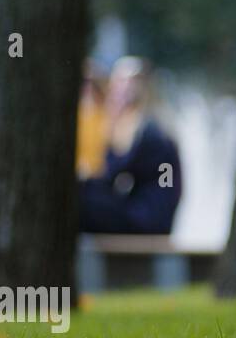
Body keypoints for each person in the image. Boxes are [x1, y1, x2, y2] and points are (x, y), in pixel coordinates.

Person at [78, 56, 184, 235]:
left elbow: (113, 174)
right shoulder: (147, 128)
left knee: (83, 197)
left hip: (147, 220)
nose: (117, 95)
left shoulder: (151, 134)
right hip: (145, 215)